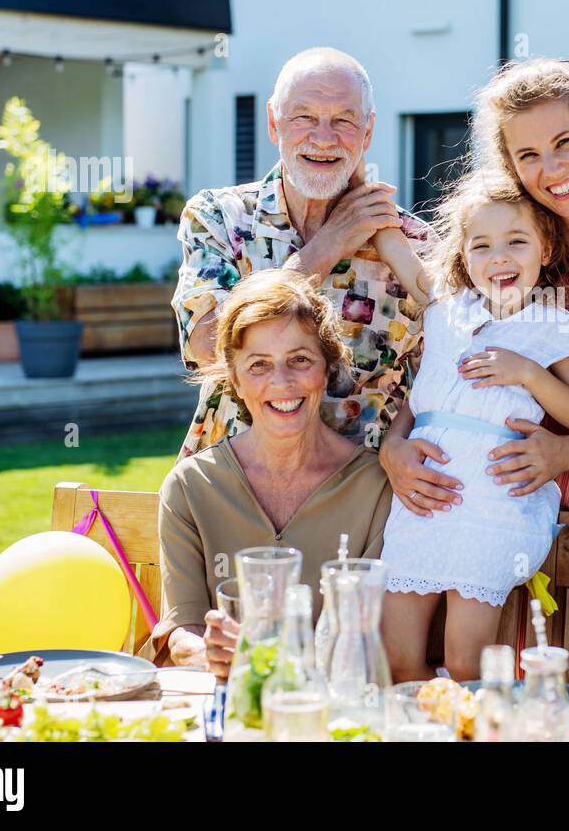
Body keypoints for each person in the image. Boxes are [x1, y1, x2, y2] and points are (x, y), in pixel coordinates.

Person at [378, 58, 569, 520]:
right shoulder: (509, 266)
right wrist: (394, 445)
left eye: (565, 142)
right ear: (512, 167)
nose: (552, 169)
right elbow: (446, 361)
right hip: (509, 516)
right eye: (529, 155)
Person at [380, 171, 569, 682]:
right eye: (482, 246)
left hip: (492, 505)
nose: (499, 257)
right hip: (421, 502)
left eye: (516, 242)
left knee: (465, 661)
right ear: (464, 257)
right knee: (395, 653)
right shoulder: (444, 313)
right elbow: (421, 396)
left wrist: (527, 372)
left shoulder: (553, 323)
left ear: (544, 250)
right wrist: (397, 438)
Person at [171, 47, 430, 460]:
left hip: (361, 500)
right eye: (304, 117)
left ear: (368, 132)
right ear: (274, 123)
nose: (324, 138)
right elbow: (205, 344)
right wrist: (328, 246)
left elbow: (448, 366)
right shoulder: (220, 216)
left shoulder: (414, 244)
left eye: (343, 120)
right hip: (232, 486)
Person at [147, 269, 392, 672]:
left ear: (328, 369)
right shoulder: (190, 487)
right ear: (235, 381)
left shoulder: (375, 487)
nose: (282, 382)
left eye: (299, 360)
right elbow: (182, 631)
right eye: (259, 364)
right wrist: (209, 651)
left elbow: (374, 638)